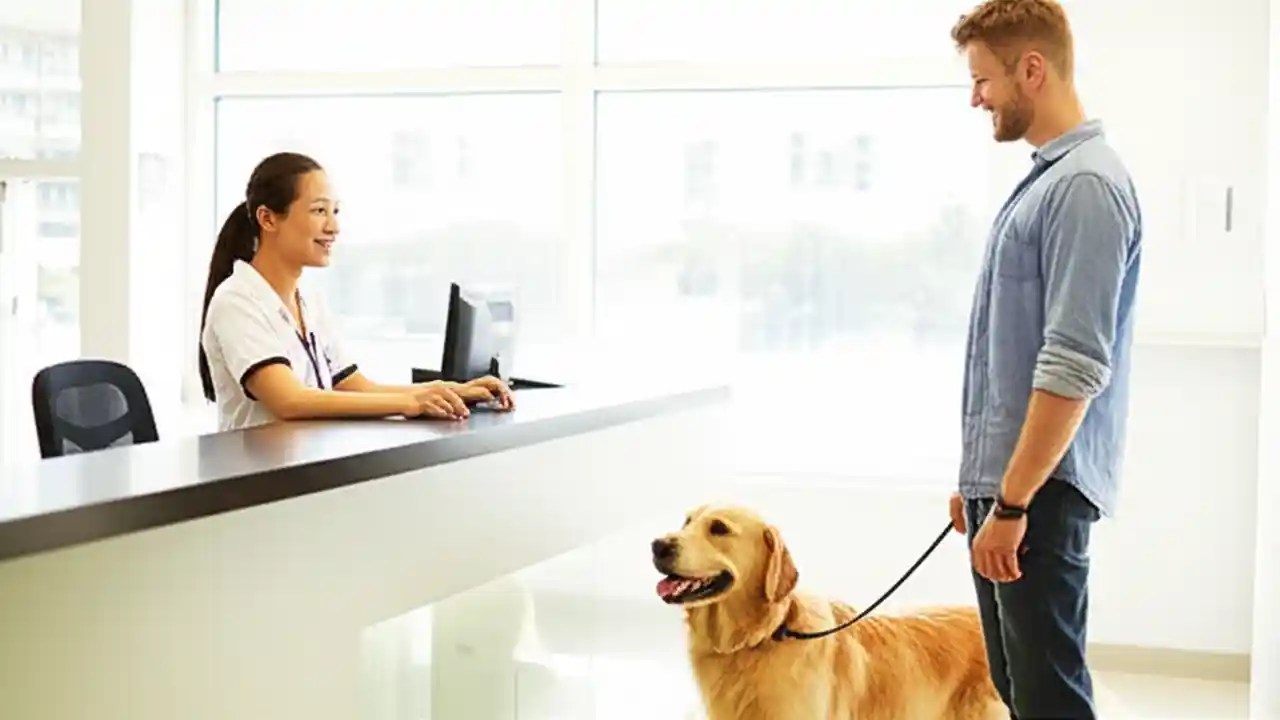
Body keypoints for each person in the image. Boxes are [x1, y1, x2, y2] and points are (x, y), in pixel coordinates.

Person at [945, 1, 1142, 718]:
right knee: (1018, 690)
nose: (976, 98)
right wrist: (978, 484)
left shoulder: (1086, 186)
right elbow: (1012, 356)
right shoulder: (1048, 180)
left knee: (1049, 699)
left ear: (1033, 69)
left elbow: (1073, 364)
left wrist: (1013, 500)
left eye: (983, 80)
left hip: (1040, 499)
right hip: (1010, 491)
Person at [199, 151, 513, 431]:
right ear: (267, 218)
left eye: (335, 212)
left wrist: (448, 391)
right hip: (257, 481)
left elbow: (354, 387)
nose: (333, 227)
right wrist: (410, 403)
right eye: (319, 211)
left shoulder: (308, 302)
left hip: (305, 468)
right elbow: (289, 400)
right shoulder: (237, 300)